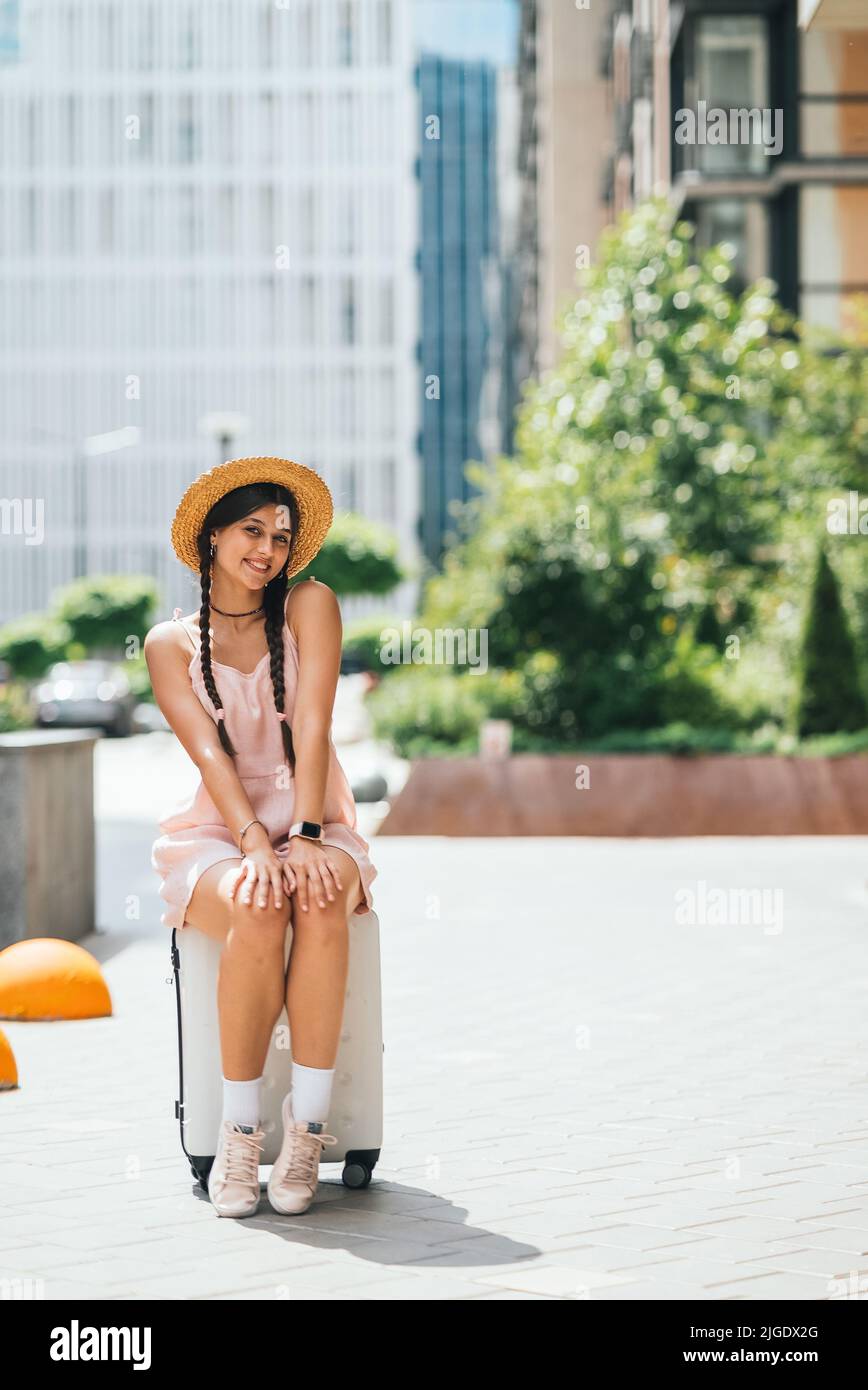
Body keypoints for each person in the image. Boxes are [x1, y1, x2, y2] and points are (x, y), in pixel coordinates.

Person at [145, 455, 377, 1219]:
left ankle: (306, 1133)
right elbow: (209, 755)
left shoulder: (309, 606)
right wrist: (253, 845)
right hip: (218, 830)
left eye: (280, 536)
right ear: (212, 537)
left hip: (316, 818)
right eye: (252, 530)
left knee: (315, 899)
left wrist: (307, 835)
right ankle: (240, 1134)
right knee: (256, 902)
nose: (268, 550)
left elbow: (313, 725)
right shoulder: (169, 643)